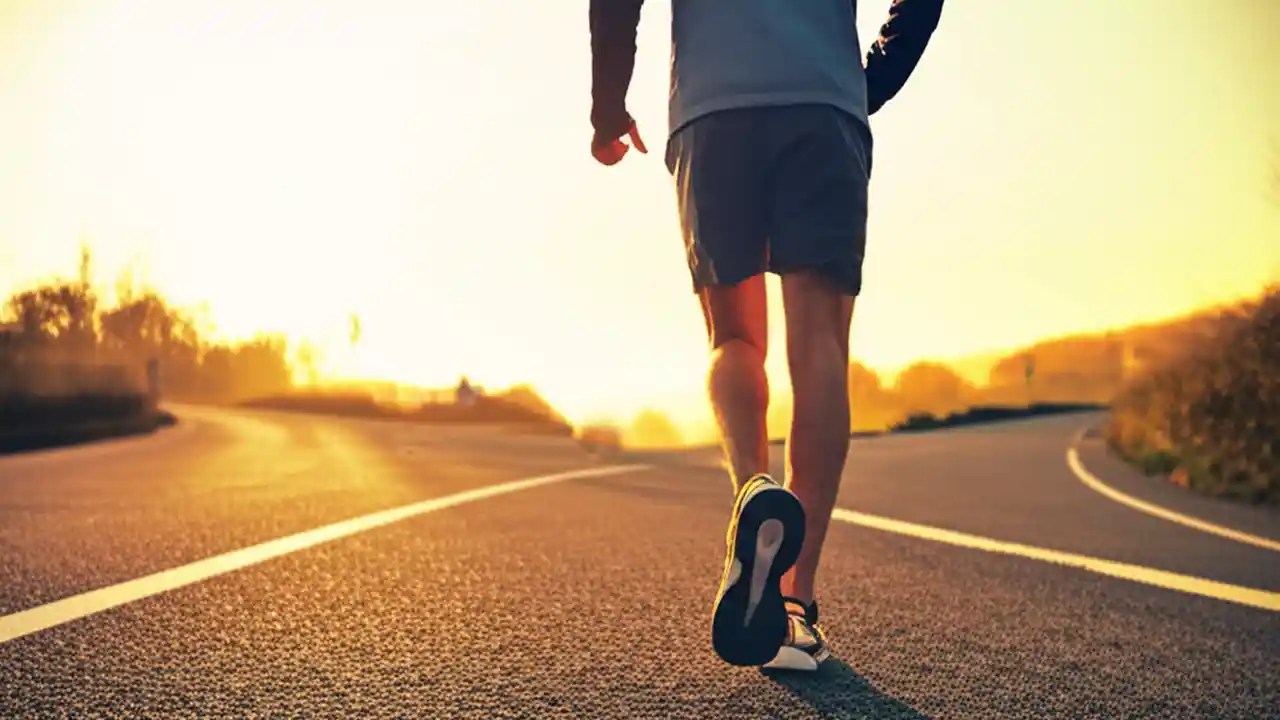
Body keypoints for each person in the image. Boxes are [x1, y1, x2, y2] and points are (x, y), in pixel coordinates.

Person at [589, 0, 943, 671]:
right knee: (820, 350)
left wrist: (609, 104)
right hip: (822, 101)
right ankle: (791, 606)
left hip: (713, 107)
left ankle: (754, 490)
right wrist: (870, 79)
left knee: (733, 340)